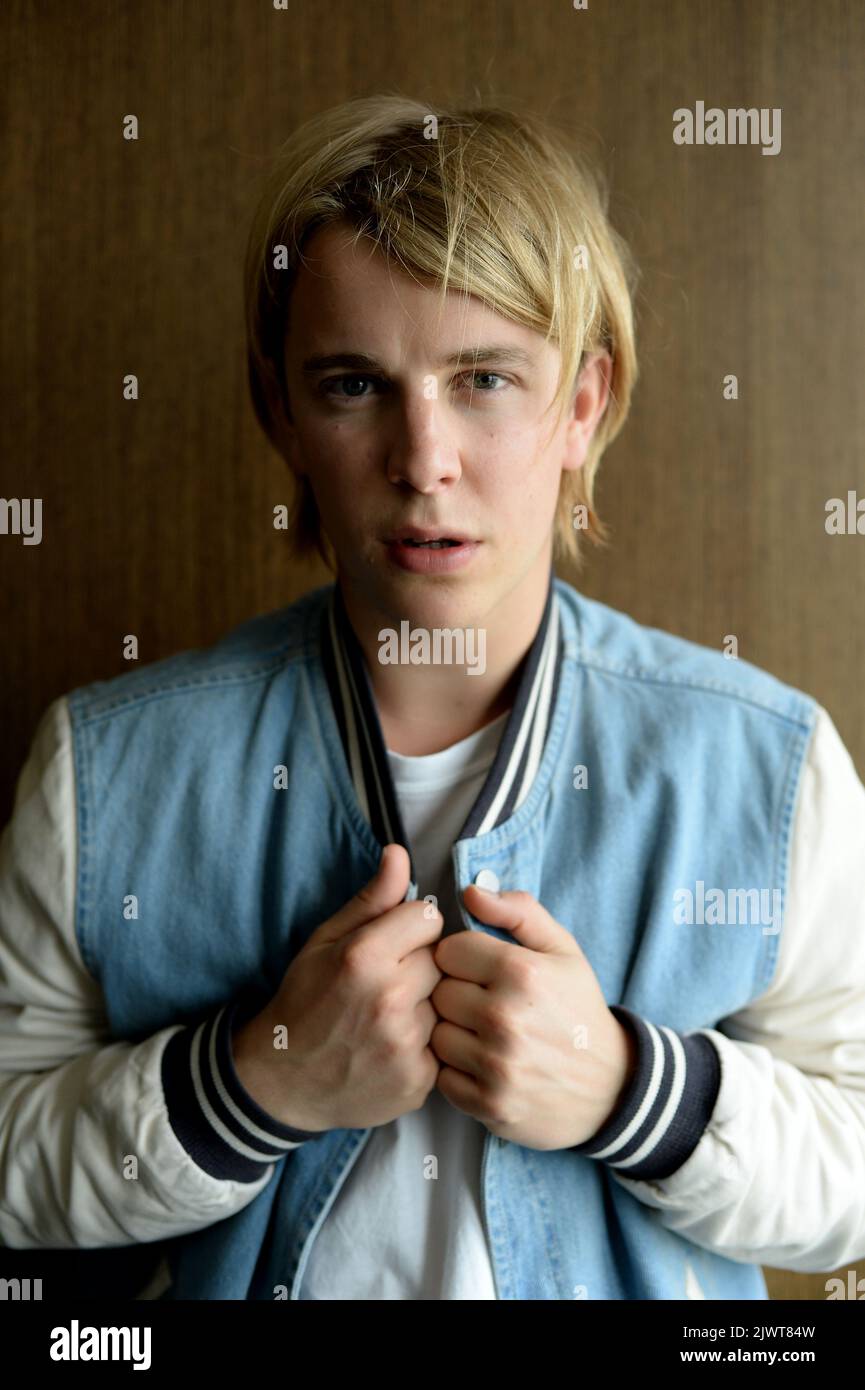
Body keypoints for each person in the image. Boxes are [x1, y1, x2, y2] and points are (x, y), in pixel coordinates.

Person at [1, 94, 864, 1302]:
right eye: (355, 384)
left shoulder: (770, 768)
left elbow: (853, 1165)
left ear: (582, 404)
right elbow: (9, 1157)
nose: (423, 460)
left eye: (485, 379)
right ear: (282, 412)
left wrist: (629, 1088)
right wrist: (260, 1080)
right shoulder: (102, 769)